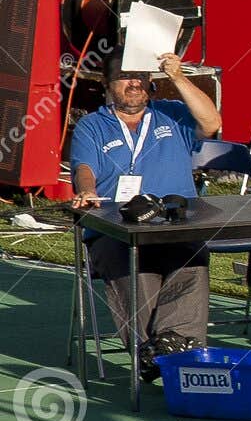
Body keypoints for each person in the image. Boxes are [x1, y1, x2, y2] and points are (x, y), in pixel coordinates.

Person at [70, 51, 222, 377]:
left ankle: (172, 348)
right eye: (125, 76)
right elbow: (84, 168)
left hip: (172, 228)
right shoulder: (92, 125)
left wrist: (178, 77)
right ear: (107, 84)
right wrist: (87, 190)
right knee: (135, 271)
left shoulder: (172, 116)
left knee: (193, 263)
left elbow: (212, 123)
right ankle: (149, 356)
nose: (134, 83)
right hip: (115, 231)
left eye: (141, 76)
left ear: (152, 82)